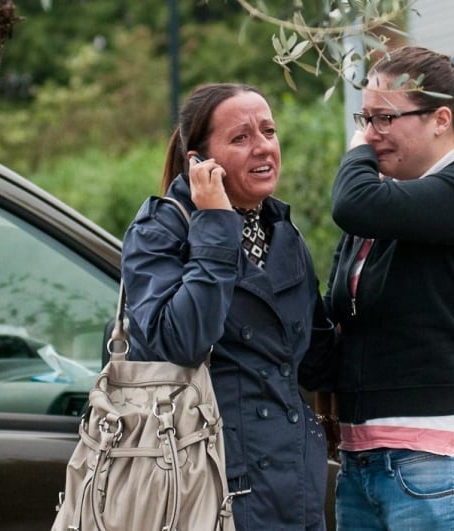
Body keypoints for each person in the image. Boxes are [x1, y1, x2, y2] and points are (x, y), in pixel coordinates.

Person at [324, 46, 454, 530]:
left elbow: (352, 201)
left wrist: (356, 148)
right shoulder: (389, 202)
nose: (371, 134)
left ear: (441, 119)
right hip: (364, 460)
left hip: (439, 460)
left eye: (384, 118)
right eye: (365, 118)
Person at [121, 83, 336, 530]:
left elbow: (316, 358)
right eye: (240, 138)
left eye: (269, 131)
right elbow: (178, 342)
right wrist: (215, 223)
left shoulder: (282, 231)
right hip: (209, 483)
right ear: (199, 161)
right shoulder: (161, 231)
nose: (263, 147)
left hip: (293, 487)